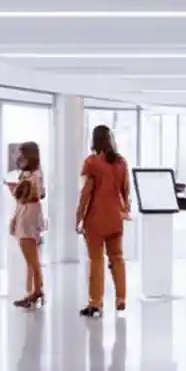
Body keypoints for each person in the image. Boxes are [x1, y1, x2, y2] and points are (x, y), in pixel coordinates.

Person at [76, 125, 131, 318]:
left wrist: (79, 216)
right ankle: (121, 298)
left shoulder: (91, 163)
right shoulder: (121, 162)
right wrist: (125, 211)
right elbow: (125, 191)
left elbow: (86, 193)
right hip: (115, 217)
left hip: (95, 218)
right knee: (117, 258)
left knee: (96, 260)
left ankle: (95, 302)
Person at [10, 142, 46, 309]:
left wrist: (17, 190)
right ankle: (33, 291)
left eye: (22, 155)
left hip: (29, 216)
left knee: (32, 258)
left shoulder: (34, 176)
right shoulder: (30, 175)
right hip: (25, 213)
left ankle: (37, 290)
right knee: (31, 258)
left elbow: (28, 195)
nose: (19, 158)